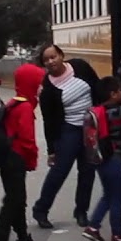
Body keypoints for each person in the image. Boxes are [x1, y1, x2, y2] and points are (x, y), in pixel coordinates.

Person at [31, 44, 101, 230]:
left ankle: (81, 212)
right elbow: (49, 121)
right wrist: (52, 150)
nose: (51, 61)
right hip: (68, 130)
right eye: (46, 60)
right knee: (59, 171)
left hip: (89, 128)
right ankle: (41, 210)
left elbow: (98, 88)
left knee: (87, 171)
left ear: (61, 55)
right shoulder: (47, 88)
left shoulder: (80, 67)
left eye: (53, 56)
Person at [0, 63, 46, 241]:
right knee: (13, 200)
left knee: (17, 198)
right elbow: (28, 140)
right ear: (31, 83)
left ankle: (22, 237)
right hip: (16, 159)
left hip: (7, 158)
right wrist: (32, 159)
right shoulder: (26, 107)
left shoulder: (14, 103)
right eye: (39, 83)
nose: (41, 87)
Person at [81, 71, 121, 241]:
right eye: (120, 90)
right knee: (117, 197)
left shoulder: (98, 111)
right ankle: (118, 234)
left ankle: (93, 227)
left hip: (101, 159)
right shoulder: (117, 112)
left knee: (108, 194)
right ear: (113, 94)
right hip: (114, 160)